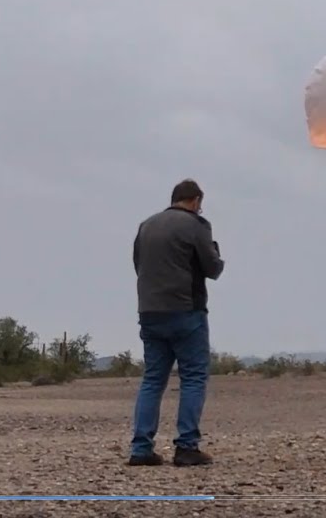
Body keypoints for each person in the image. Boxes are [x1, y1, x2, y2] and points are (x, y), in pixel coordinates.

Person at [127, 179, 225, 467]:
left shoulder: (146, 226)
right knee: (193, 378)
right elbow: (212, 268)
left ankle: (141, 448)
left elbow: (138, 265)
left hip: (150, 310)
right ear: (195, 201)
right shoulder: (196, 225)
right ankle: (186, 446)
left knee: (153, 379)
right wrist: (216, 254)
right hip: (185, 310)